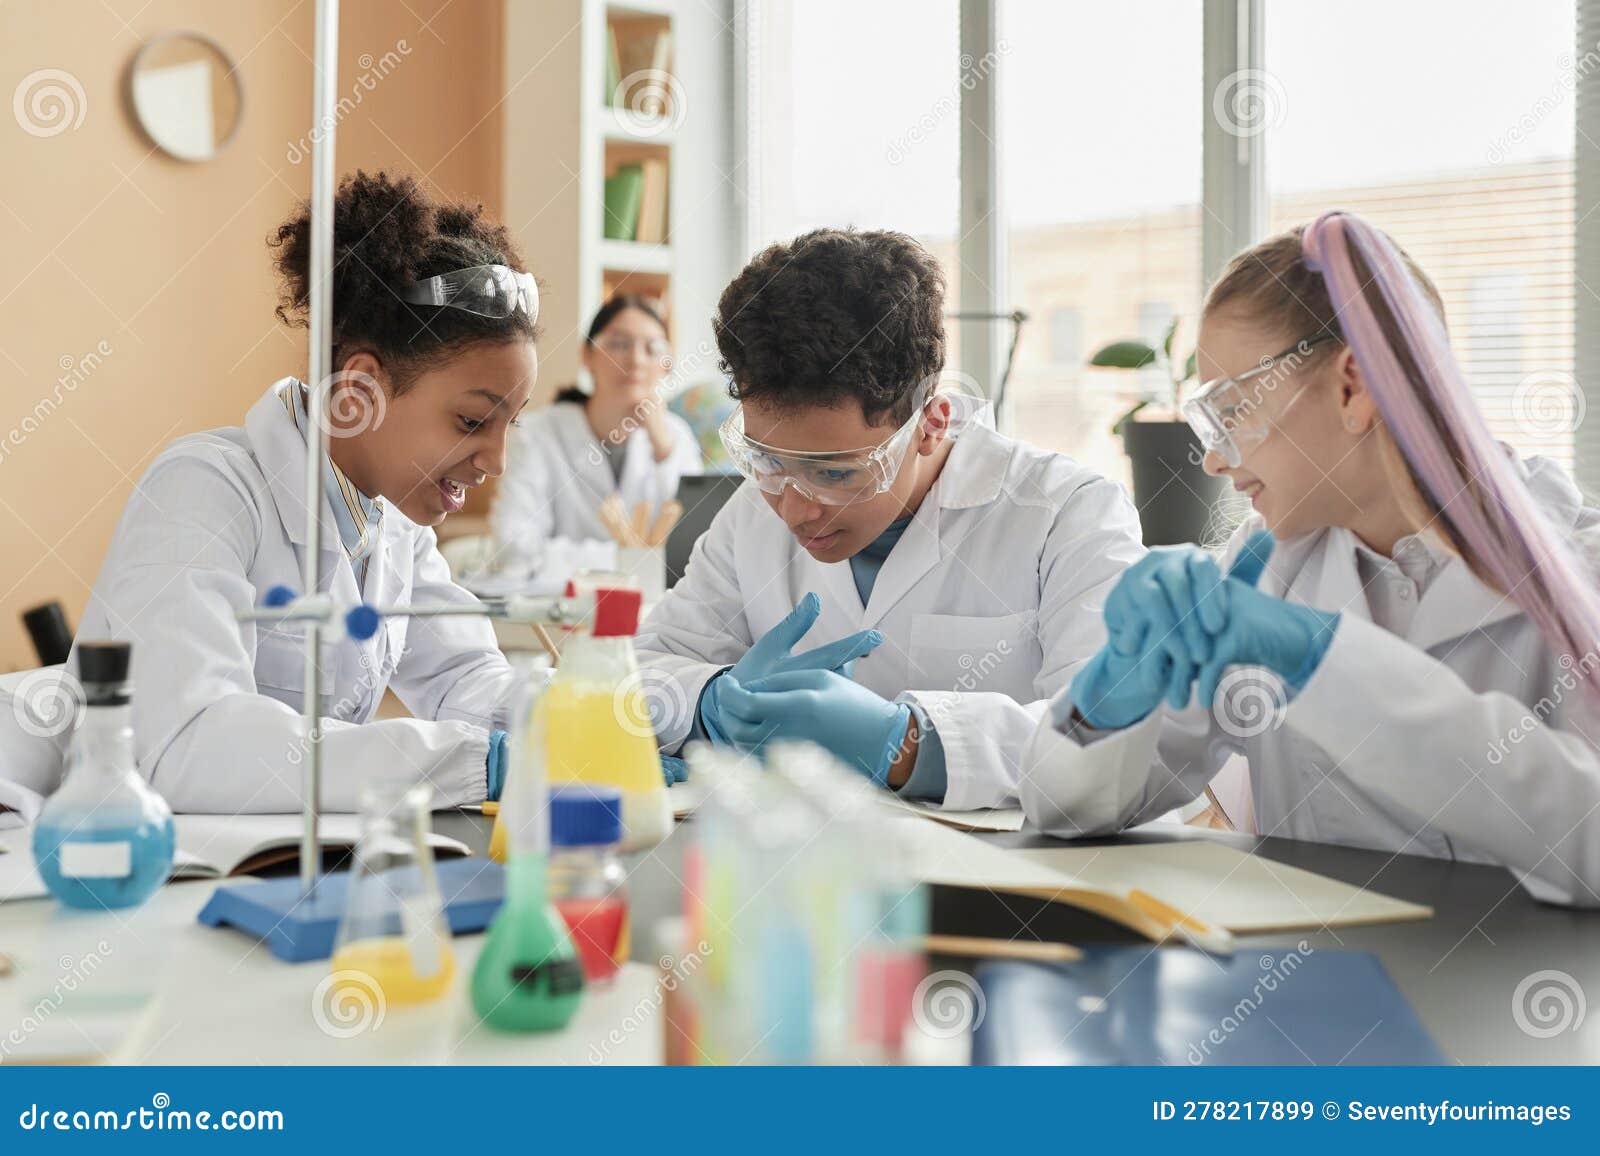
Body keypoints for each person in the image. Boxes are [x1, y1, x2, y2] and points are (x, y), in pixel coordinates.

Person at [1020, 210, 1600, 906]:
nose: (1212, 459)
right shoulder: (1265, 573)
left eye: (1232, 412)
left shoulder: (1582, 565)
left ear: (1353, 386)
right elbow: (1063, 811)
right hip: (1308, 970)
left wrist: (1324, 660)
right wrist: (1110, 698)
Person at [69, 171, 537, 813]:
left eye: (512, 424)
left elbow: (464, 678)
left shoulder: (393, 523)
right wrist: (473, 762)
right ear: (364, 385)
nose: (497, 461)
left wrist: (592, 717)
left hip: (290, 856)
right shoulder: (205, 490)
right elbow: (185, 744)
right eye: (471, 421)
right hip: (134, 860)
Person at [636, 228, 1145, 809]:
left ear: (931, 422)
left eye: (834, 473)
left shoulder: (1068, 514)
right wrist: (709, 701)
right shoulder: (752, 515)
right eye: (768, 461)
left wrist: (908, 744)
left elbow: (1118, 742)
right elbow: (637, 672)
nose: (795, 509)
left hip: (1002, 869)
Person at [490, 295, 701, 572]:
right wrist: (628, 559)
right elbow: (514, 549)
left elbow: (693, 551)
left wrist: (663, 451)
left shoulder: (677, 437)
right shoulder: (537, 434)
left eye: (653, 348)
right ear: (587, 355)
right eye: (620, 344)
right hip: (557, 598)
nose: (636, 360)